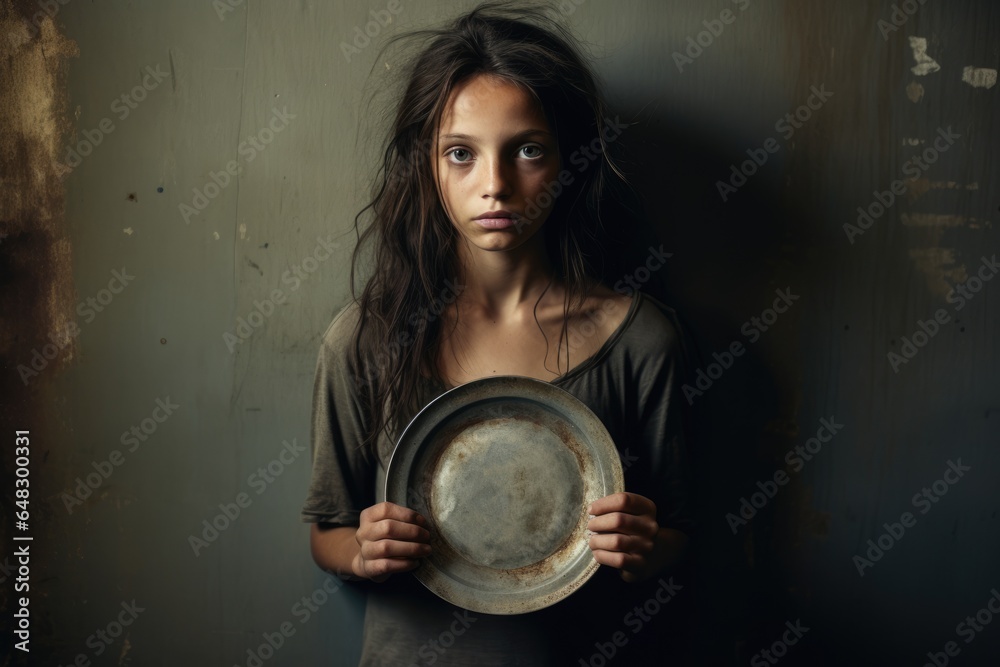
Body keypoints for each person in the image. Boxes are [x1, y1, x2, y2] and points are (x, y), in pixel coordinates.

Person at [301, 3, 696, 664]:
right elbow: (328, 529)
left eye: (529, 150)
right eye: (461, 153)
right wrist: (361, 551)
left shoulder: (639, 339)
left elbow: (679, 531)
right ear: (426, 166)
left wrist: (643, 544)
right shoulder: (364, 340)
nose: (496, 186)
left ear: (569, 161)